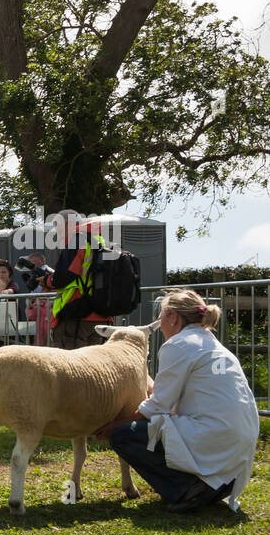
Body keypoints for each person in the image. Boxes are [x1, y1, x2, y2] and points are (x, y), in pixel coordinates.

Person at [99, 290, 260, 513]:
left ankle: (187, 489)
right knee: (153, 430)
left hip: (215, 435)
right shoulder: (210, 343)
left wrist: (113, 426)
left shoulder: (178, 345)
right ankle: (211, 484)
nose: (160, 324)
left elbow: (157, 407)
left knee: (124, 436)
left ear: (173, 317)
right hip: (236, 442)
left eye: (162, 316)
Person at [42, 215, 110, 350]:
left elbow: (65, 276)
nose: (58, 233)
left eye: (58, 227)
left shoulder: (77, 241)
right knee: (95, 367)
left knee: (69, 367)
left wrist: (47, 281)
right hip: (102, 315)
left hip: (76, 314)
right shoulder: (101, 241)